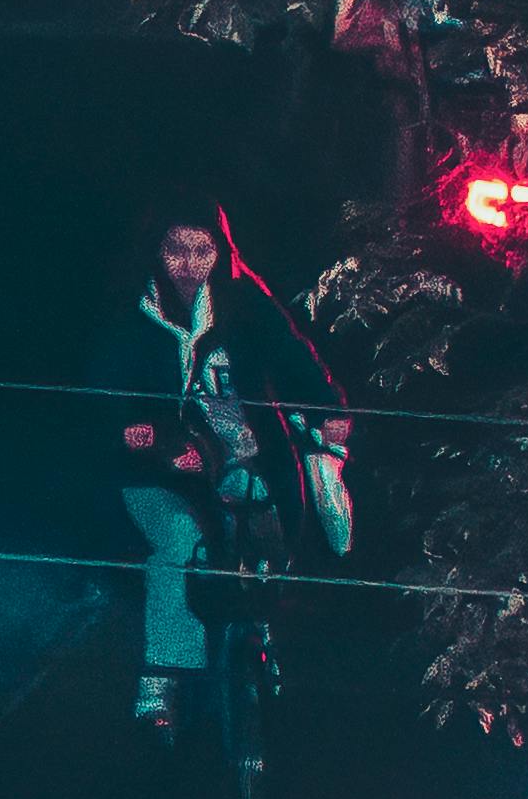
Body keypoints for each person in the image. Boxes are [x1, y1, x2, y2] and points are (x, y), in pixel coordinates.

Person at [94, 209, 348, 732]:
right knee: (179, 540)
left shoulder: (241, 300)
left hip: (241, 450)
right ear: (155, 252)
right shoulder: (129, 312)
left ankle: (260, 637)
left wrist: (329, 411)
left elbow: (291, 353)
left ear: (221, 251)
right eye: (176, 251)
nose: (189, 265)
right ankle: (161, 683)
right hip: (156, 472)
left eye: (202, 250)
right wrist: (158, 445)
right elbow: (110, 408)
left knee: (265, 523)